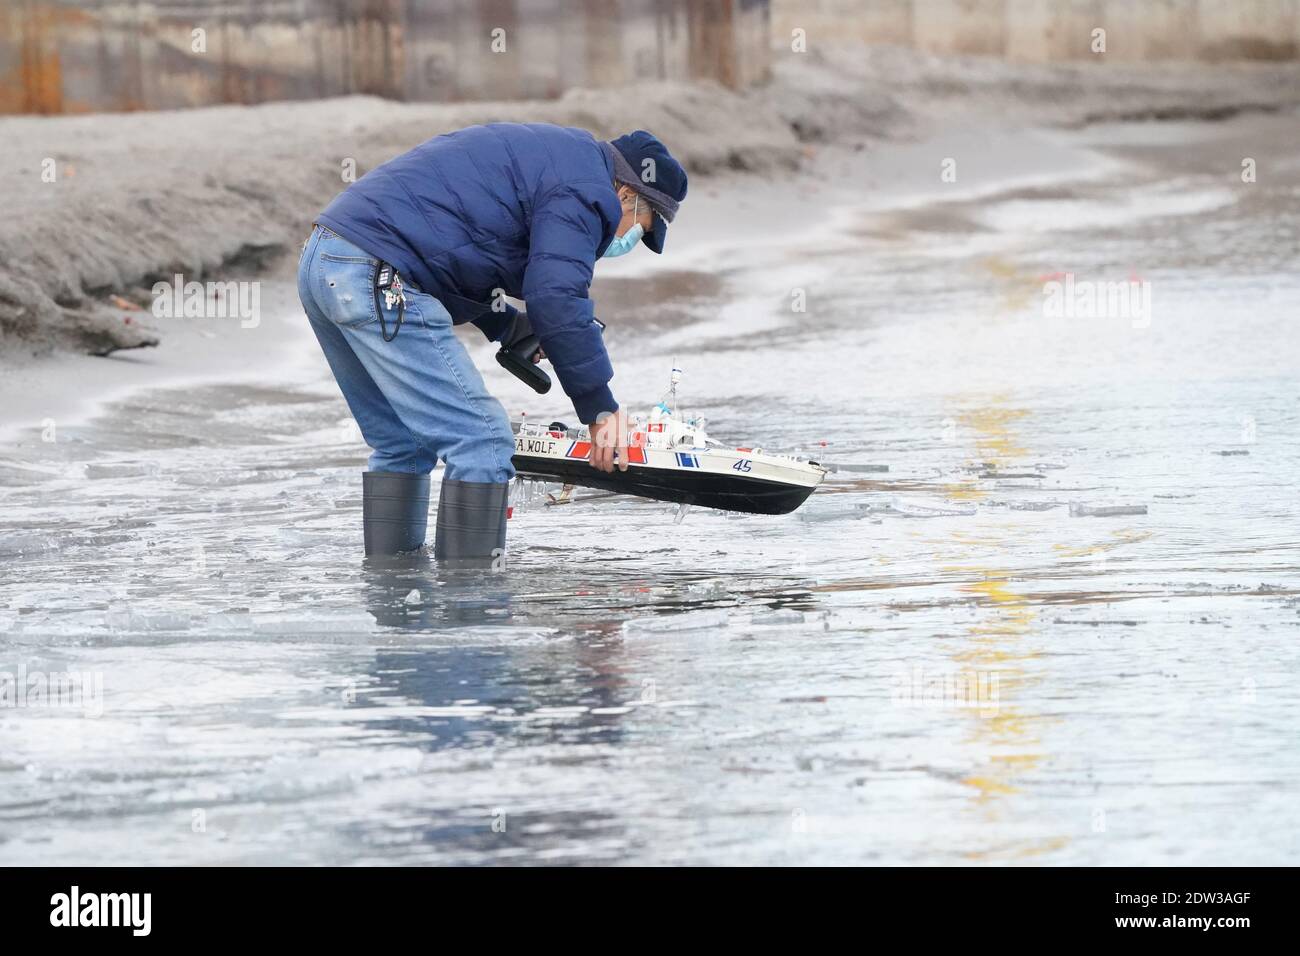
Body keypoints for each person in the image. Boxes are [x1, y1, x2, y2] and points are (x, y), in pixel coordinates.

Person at [296, 124, 688, 562]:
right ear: (628, 197)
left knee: (402, 444)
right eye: (641, 228)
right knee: (481, 442)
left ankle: (395, 598)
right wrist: (600, 409)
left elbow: (453, 243)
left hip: (324, 261)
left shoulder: (556, 158)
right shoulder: (587, 191)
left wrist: (508, 325)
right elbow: (556, 297)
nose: (628, 241)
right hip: (375, 274)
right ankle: (473, 612)